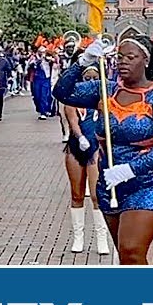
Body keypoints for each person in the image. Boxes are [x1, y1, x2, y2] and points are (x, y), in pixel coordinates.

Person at [53, 36, 153, 265]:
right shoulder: (106, 89)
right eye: (119, 57)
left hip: (149, 182)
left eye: (131, 57)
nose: (123, 62)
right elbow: (62, 92)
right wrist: (83, 61)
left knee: (132, 250)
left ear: (146, 60)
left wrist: (132, 169)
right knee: (126, 257)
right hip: (109, 183)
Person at [61, 65, 110, 255]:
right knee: (77, 194)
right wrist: (79, 137)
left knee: (97, 195)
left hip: (96, 149)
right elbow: (72, 121)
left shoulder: (103, 100)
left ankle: (101, 238)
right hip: (76, 147)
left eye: (94, 79)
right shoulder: (72, 100)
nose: (90, 82)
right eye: (86, 78)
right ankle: (78, 237)